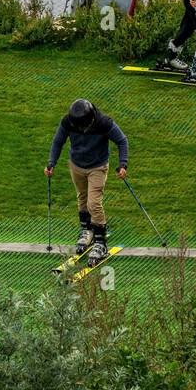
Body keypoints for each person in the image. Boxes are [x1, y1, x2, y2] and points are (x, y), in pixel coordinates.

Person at [44, 99, 128, 266]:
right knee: (82, 198)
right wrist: (51, 162)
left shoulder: (103, 123)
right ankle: (86, 230)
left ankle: (100, 242)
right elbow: (58, 141)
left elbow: (122, 140)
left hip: (98, 166)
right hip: (76, 164)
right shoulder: (69, 121)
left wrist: (123, 164)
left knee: (94, 203)